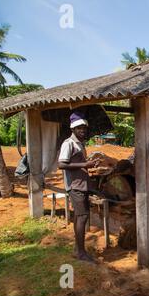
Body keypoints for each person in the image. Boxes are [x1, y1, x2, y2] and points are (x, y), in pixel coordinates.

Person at [58, 112, 100, 263]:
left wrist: (89, 163)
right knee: (82, 217)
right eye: (79, 128)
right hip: (75, 186)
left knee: (79, 217)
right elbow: (61, 164)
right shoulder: (68, 143)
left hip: (82, 184)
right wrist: (84, 164)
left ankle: (78, 249)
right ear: (73, 129)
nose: (83, 130)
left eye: (84, 128)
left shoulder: (80, 144)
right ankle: (81, 253)